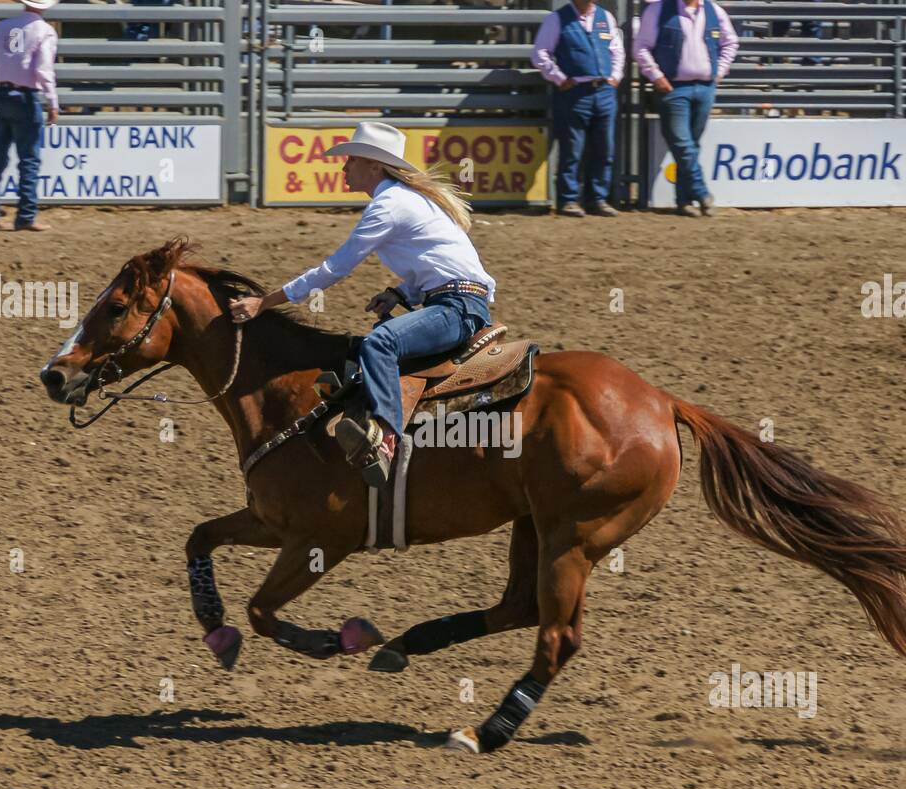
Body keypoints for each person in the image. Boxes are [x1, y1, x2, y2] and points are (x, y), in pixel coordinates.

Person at [229, 122, 496, 489]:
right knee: (375, 344)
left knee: (380, 343)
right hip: (459, 301)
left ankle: (385, 439)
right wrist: (403, 294)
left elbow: (334, 268)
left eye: (351, 160)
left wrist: (265, 302)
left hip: (457, 308)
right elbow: (440, 263)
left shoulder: (389, 204)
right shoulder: (407, 199)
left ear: (373, 165)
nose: (344, 168)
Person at [633, 0, 739, 217]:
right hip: (674, 87)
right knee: (683, 143)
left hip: (704, 86)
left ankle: (684, 201)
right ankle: (701, 193)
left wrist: (719, 71)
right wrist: (656, 75)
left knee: (689, 146)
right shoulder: (658, 9)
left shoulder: (713, 10)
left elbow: (731, 42)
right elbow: (641, 47)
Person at [531, 0, 626, 217]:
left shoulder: (605, 18)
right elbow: (540, 53)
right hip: (575, 91)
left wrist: (615, 77)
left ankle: (597, 198)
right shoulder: (557, 19)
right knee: (572, 148)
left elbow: (617, 50)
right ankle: (569, 199)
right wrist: (559, 78)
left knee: (605, 148)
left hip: (603, 89)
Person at [0, 0, 60, 232]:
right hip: (26, 98)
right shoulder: (45, 31)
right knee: (29, 160)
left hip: (2, 95)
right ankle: (25, 216)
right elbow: (43, 70)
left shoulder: (3, 27)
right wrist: (53, 102)